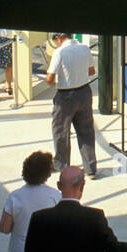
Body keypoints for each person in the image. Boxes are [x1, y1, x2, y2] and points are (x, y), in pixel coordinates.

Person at [46, 33, 98, 177]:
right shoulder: (85, 49)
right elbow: (92, 71)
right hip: (84, 92)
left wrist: (57, 80)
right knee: (86, 131)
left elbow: (50, 78)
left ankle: (61, 165)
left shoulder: (60, 52)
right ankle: (90, 168)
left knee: (61, 131)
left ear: (58, 38)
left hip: (65, 96)